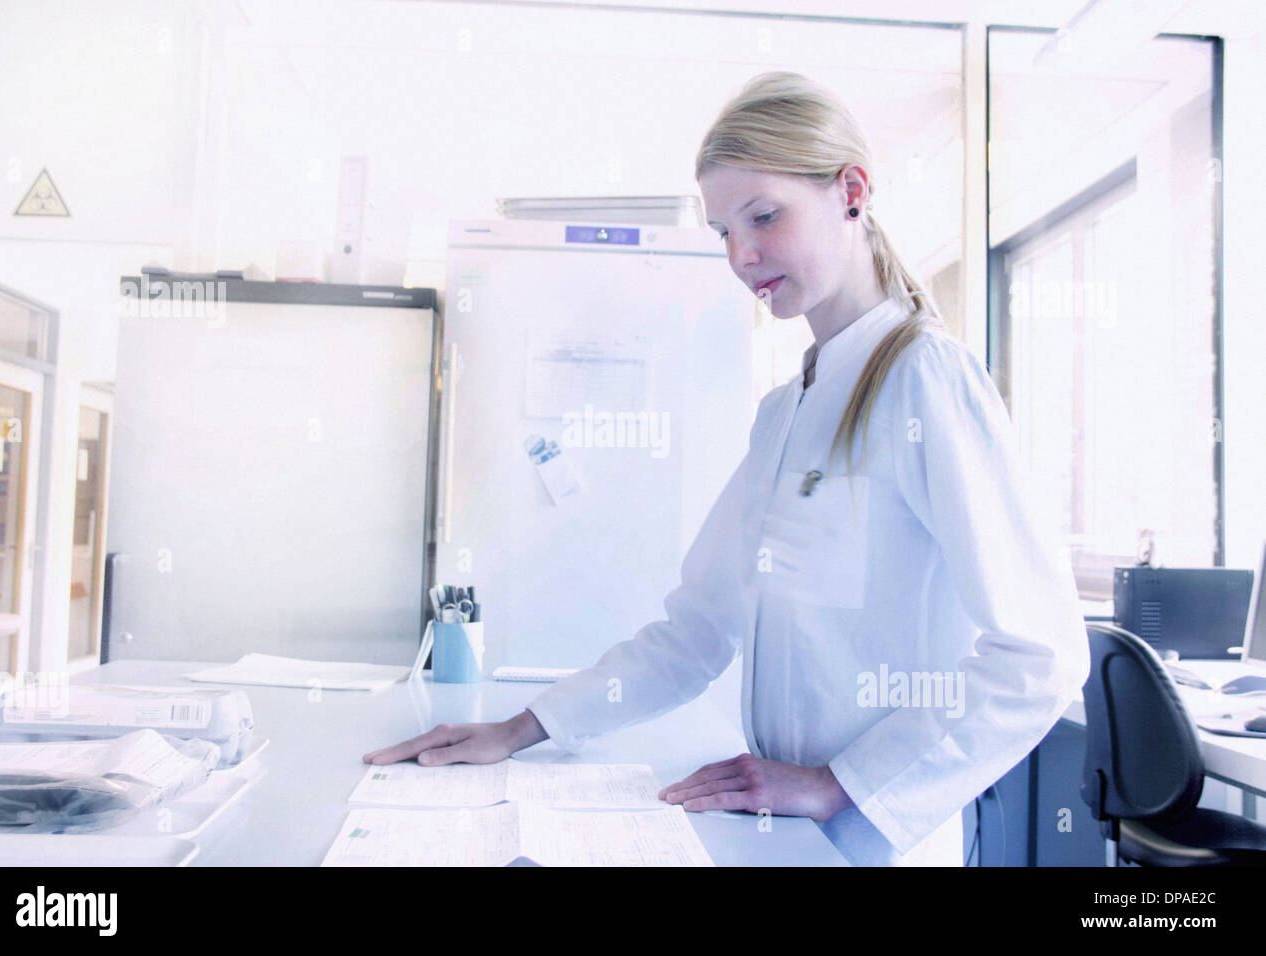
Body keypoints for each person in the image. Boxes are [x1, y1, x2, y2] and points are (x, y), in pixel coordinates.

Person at [363, 71, 1090, 866]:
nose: (742, 257)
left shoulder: (925, 379)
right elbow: (697, 629)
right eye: (722, 233)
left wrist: (838, 783)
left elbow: (1042, 655)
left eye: (764, 217)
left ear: (852, 191)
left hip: (871, 840)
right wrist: (521, 728)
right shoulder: (787, 409)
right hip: (772, 831)